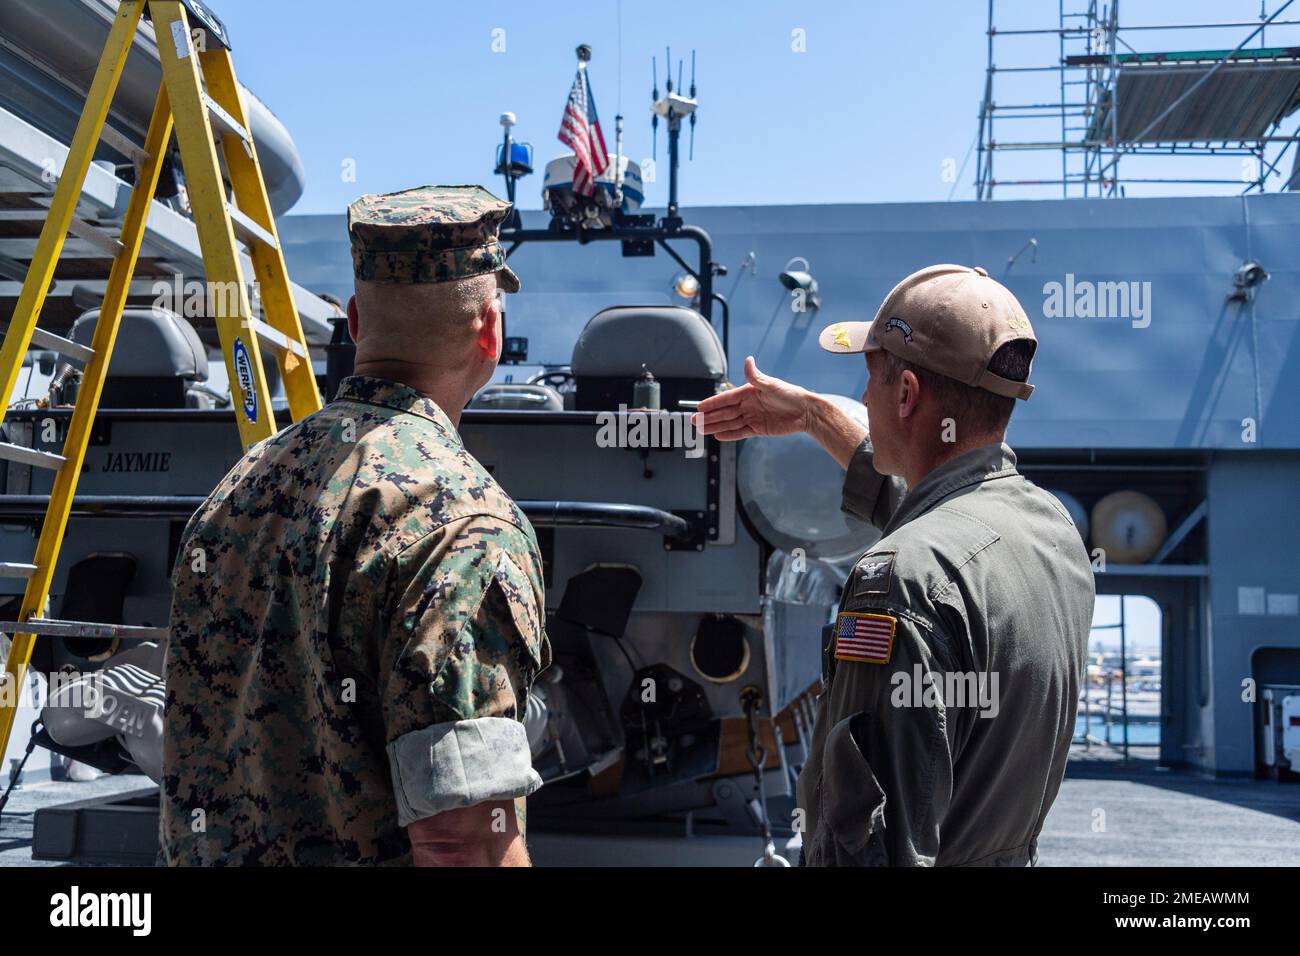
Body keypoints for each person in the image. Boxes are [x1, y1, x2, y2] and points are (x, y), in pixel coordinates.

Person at [161, 184, 549, 866]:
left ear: (355, 321)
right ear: (490, 331)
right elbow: (462, 841)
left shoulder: (240, 483)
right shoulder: (463, 521)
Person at [696, 264, 1095, 866]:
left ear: (906, 394)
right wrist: (809, 414)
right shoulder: (1052, 533)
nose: (861, 399)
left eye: (871, 381)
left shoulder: (903, 581)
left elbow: (868, 846)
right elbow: (931, 518)